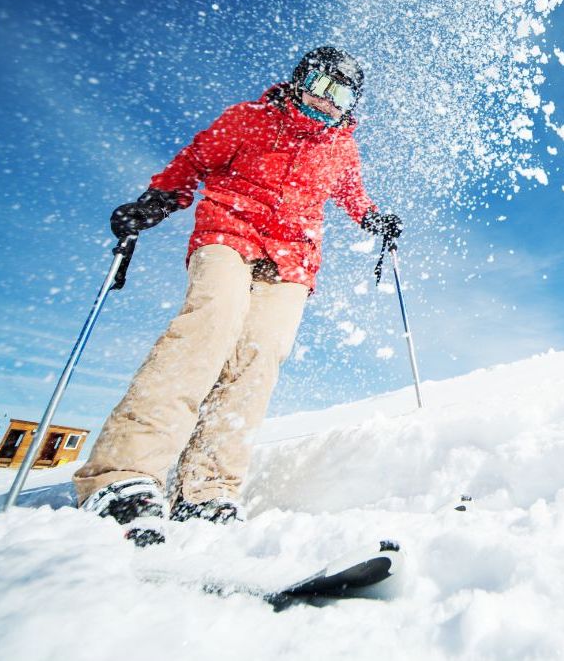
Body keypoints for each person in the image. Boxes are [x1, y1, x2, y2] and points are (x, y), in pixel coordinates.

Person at [73, 46, 402, 545]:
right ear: (299, 79)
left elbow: (352, 194)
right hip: (229, 230)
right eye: (319, 82)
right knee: (210, 325)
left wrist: (373, 219)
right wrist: (155, 202)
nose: (326, 99)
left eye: (341, 92)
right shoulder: (248, 119)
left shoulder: (340, 148)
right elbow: (193, 163)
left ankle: (207, 490)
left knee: (258, 357)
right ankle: (123, 475)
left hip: (293, 256)